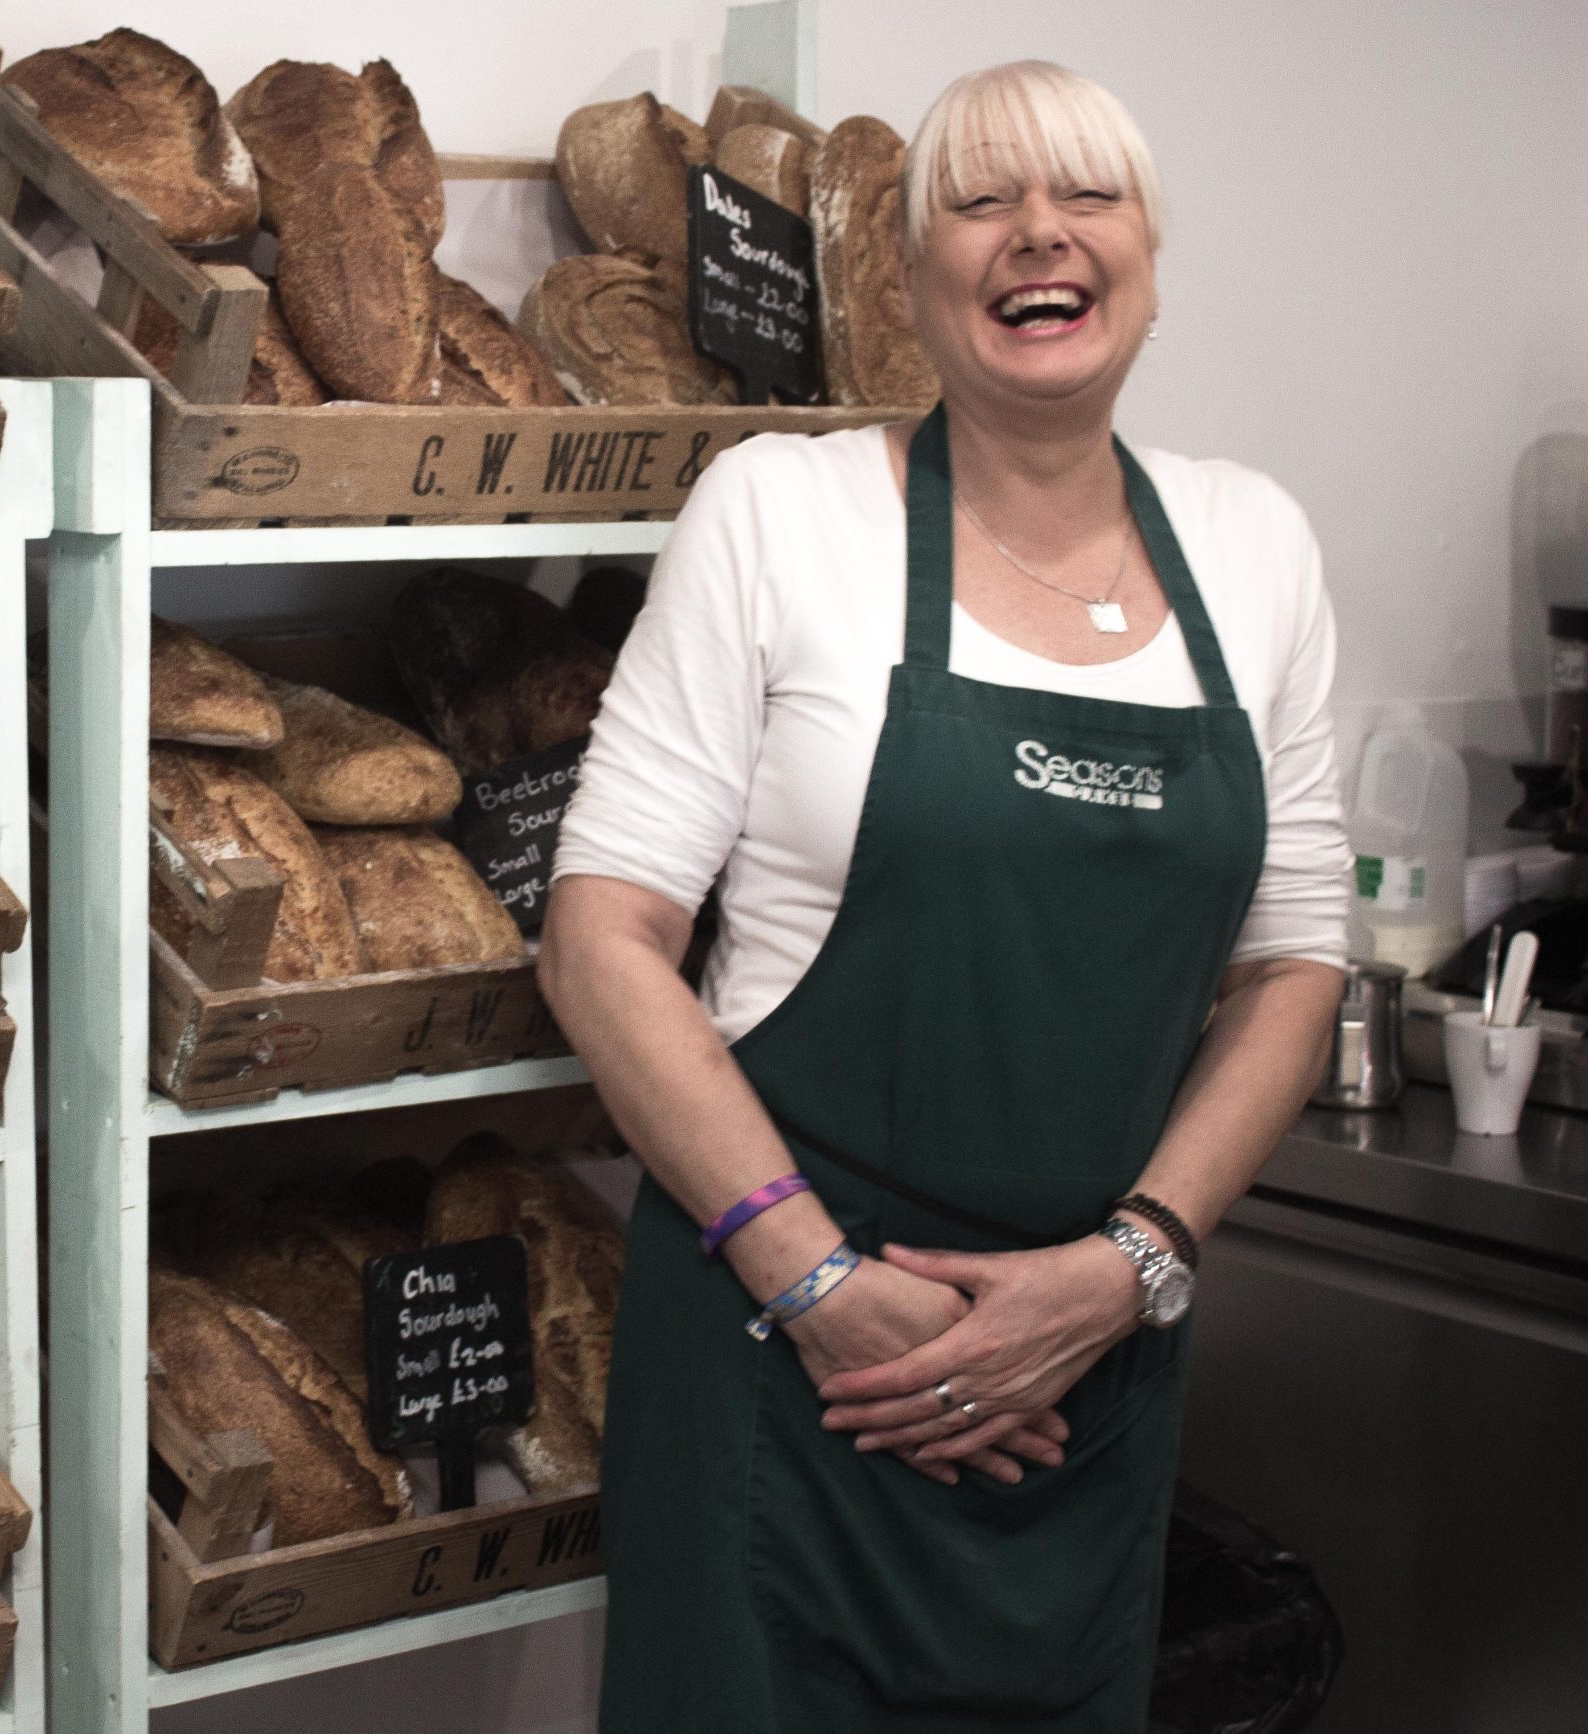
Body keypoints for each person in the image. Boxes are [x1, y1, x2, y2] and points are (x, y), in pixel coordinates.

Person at [539, 59, 1350, 1731]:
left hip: (1090, 1373)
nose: (1035, 237)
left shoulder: (1254, 547)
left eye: (1084, 197)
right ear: (910, 283)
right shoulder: (780, 511)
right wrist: (822, 1284)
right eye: (977, 204)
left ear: (1148, 253)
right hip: (789, 1369)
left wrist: (1130, 1264)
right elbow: (602, 935)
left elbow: (1296, 962)